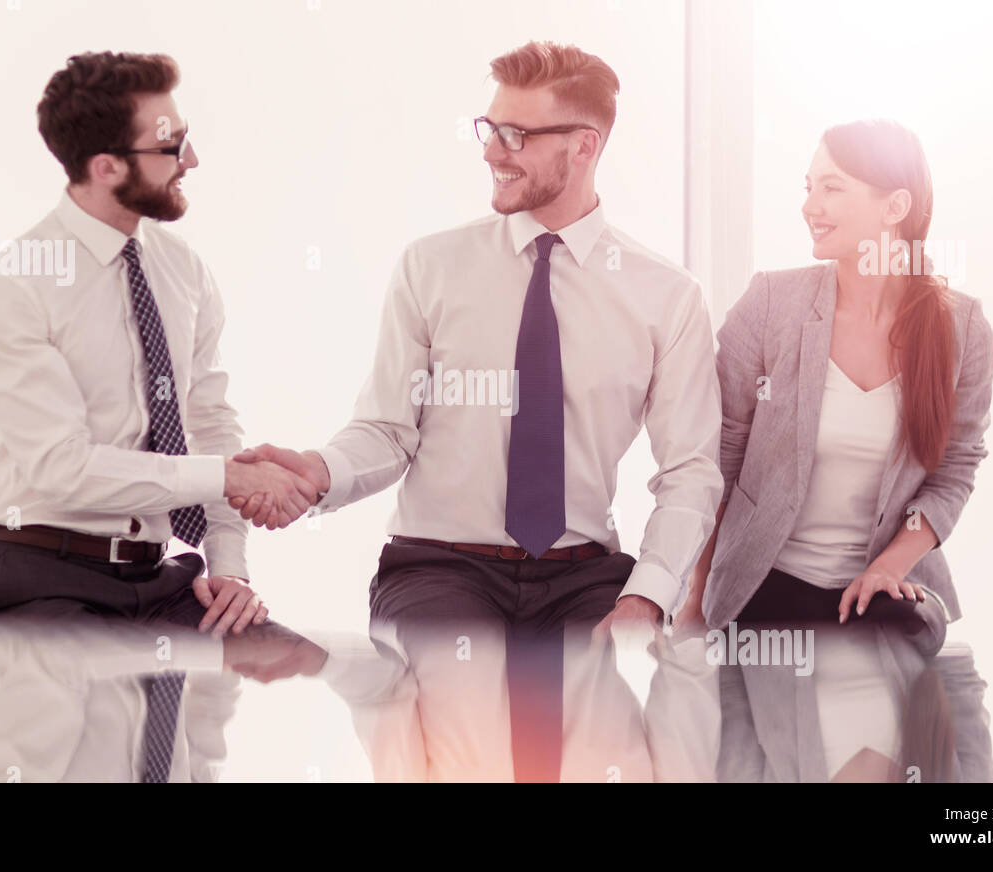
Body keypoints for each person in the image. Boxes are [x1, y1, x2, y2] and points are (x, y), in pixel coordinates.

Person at [232, 40, 724, 782]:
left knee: (621, 727)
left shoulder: (666, 297)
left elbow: (690, 472)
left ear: (585, 146)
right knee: (467, 725)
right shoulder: (432, 267)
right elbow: (388, 430)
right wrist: (318, 471)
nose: (494, 150)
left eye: (517, 135)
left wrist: (646, 598)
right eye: (488, 129)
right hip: (440, 568)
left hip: (583, 573)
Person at [0, 51, 318, 781]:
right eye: (170, 146)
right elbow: (62, 468)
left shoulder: (182, 271)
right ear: (106, 167)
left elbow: (210, 423)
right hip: (43, 577)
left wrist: (227, 567)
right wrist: (229, 476)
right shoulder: (15, 287)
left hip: (159, 577)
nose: (192, 158)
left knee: (300, 665)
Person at [681, 119, 993, 782]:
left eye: (831, 187)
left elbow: (955, 469)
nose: (809, 205)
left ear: (895, 206)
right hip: (769, 590)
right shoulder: (772, 303)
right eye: (807, 187)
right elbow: (721, 455)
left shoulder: (962, 328)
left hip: (883, 597)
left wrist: (891, 565)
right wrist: (694, 597)